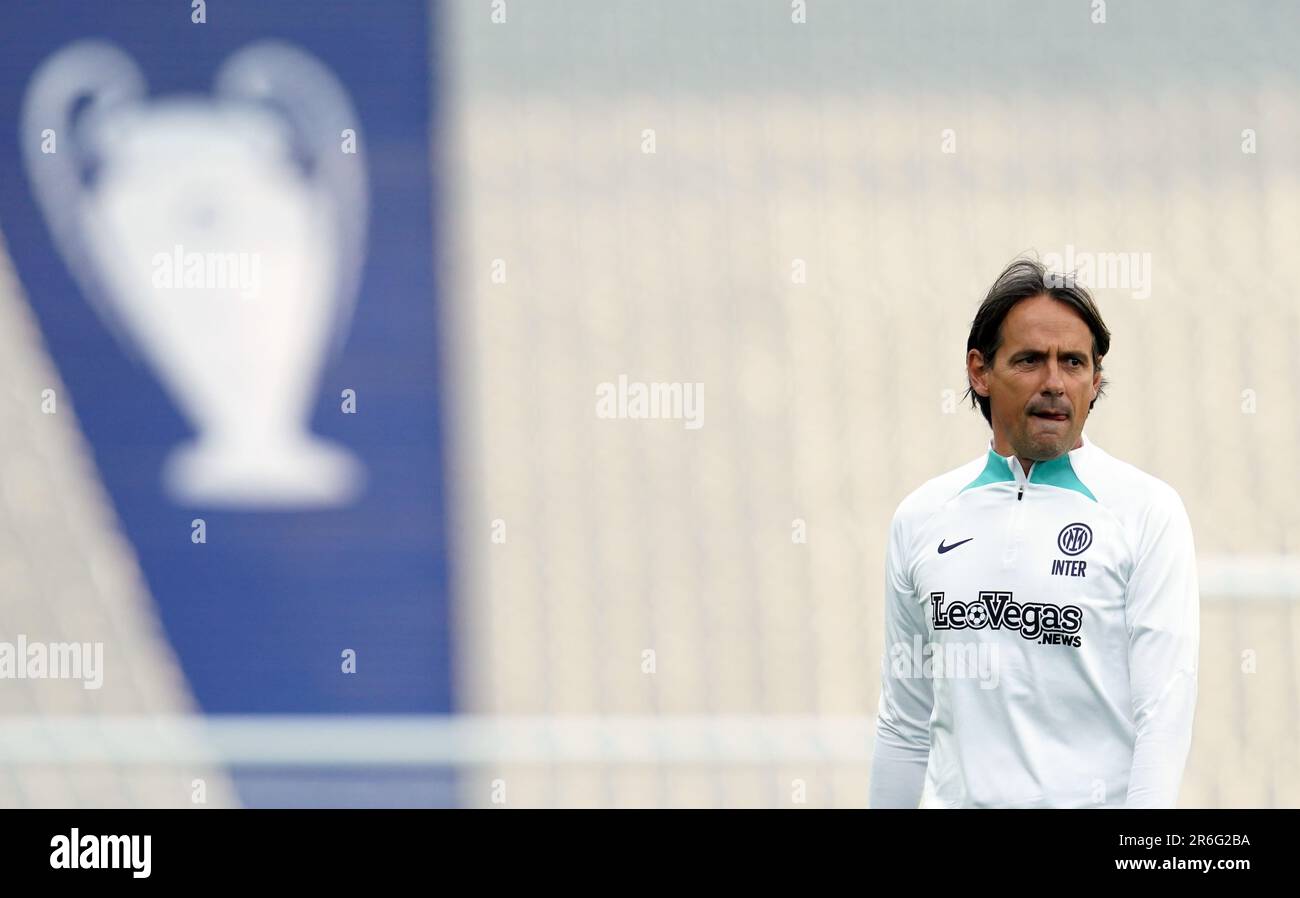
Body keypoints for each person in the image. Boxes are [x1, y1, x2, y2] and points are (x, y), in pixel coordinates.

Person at [868, 257, 1199, 808]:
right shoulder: (922, 518)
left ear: (1095, 379)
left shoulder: (1147, 512)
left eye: (1072, 362)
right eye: (1029, 360)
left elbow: (1163, 717)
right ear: (980, 371)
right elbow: (904, 723)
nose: (1054, 383)